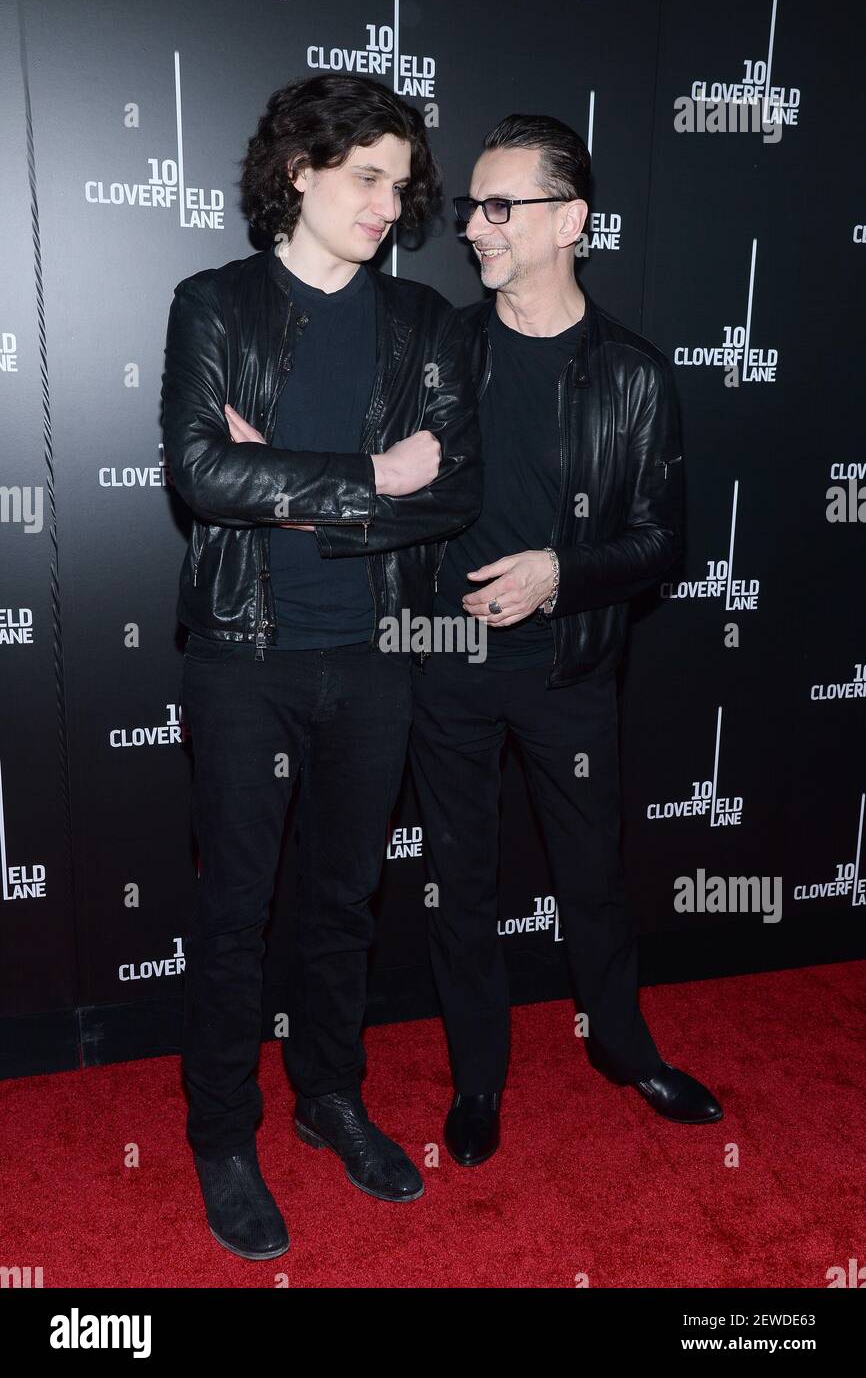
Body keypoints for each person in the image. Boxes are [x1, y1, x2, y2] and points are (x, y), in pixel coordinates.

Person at [161, 73, 481, 1258]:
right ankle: (220, 1131)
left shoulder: (426, 325)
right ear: (297, 170)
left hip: (378, 655)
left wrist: (288, 487)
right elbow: (200, 473)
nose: (385, 205)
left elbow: (452, 493)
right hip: (243, 655)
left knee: (344, 904)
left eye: (400, 187)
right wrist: (364, 478)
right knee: (238, 908)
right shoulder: (214, 303)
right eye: (363, 178)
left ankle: (328, 1096)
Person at [408, 113, 722, 1169]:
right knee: (459, 884)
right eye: (471, 209)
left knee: (589, 876)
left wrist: (556, 574)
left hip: (566, 670)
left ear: (569, 222)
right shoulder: (439, 348)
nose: (475, 230)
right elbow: (388, 484)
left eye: (500, 208)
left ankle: (623, 1050)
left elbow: (658, 544)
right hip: (443, 667)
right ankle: (477, 1077)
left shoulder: (630, 375)